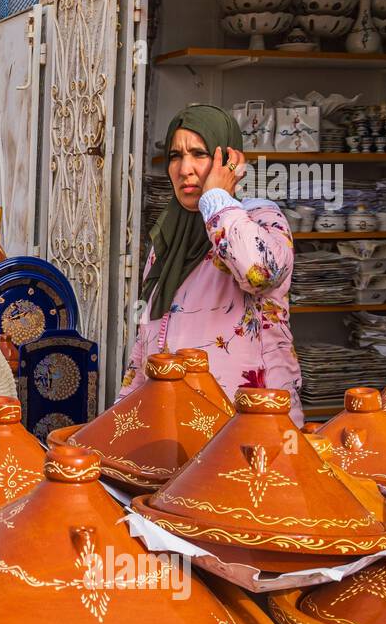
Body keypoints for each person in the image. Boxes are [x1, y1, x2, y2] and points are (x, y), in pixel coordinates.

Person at [120, 103, 303, 423]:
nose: (184, 168)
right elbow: (145, 343)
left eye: (199, 154)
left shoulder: (261, 220)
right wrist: (120, 419)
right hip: (175, 427)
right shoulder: (170, 239)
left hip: (248, 429)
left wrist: (218, 199)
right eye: (175, 156)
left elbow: (260, 273)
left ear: (230, 160)